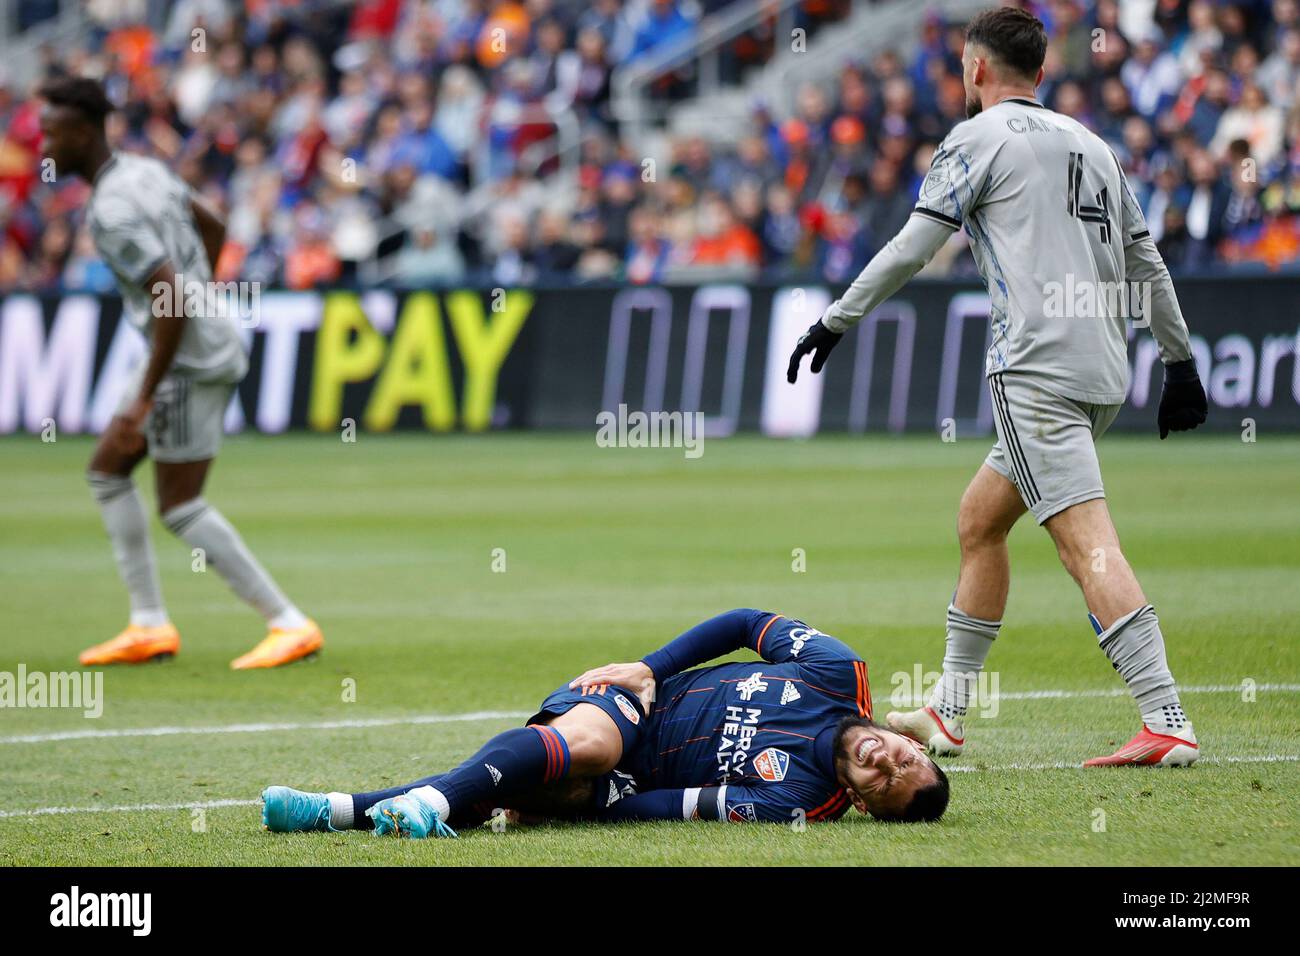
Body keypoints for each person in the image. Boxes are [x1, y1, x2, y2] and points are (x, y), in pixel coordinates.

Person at [786, 7, 1207, 767]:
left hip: (1035, 370)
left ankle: (1166, 717)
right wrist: (1178, 362)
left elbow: (915, 245)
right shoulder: (1094, 144)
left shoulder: (975, 138)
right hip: (1104, 368)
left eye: (960, 63)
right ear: (1040, 73)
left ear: (976, 68)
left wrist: (837, 319)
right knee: (981, 519)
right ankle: (949, 711)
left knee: (1088, 548)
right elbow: (1149, 264)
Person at [39, 76, 323, 670]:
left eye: (53, 133)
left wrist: (145, 397)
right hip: (191, 342)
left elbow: (168, 294)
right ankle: (147, 625)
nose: (44, 146)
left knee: (180, 504)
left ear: (85, 132)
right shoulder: (143, 170)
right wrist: (205, 303)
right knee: (108, 471)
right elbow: (215, 224)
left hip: (188, 360)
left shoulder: (111, 210)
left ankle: (288, 622)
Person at [261, 609, 949, 837]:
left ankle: (328, 810)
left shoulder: (798, 803)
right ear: (911, 740)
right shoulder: (838, 672)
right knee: (588, 744)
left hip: (626, 772)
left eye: (883, 781)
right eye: (905, 759)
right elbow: (744, 623)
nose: (886, 761)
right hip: (630, 705)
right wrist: (651, 668)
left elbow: (678, 806)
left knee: (527, 790)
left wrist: (589, 811)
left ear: (859, 800)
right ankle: (433, 801)